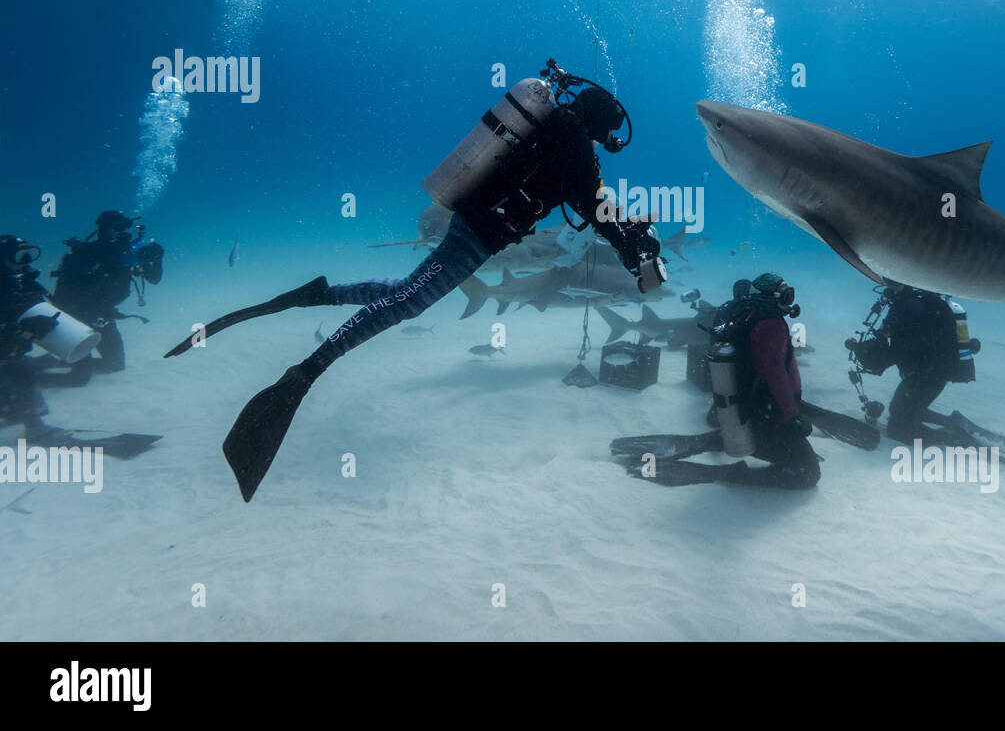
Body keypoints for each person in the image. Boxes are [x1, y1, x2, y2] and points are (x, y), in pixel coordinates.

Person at [168, 60, 670, 501]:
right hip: (481, 229)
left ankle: (314, 295)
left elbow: (594, 203)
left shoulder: (562, 133)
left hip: (480, 224)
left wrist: (630, 235)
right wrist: (634, 245)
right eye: (608, 133)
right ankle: (307, 370)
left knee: (406, 290)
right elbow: (593, 205)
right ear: (601, 123)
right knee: (411, 302)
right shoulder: (571, 140)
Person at [611, 273, 820, 489]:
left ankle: (701, 442)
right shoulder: (772, 325)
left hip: (746, 410)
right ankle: (725, 472)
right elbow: (775, 374)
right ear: (771, 297)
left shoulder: (745, 315)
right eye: (786, 295)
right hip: (770, 414)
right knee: (808, 473)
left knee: (757, 437)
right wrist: (792, 415)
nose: (790, 301)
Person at [38, 210, 164, 386]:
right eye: (116, 229)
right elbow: (66, 292)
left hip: (104, 316)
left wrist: (157, 258)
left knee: (115, 365)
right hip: (78, 316)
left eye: (124, 229)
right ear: (102, 229)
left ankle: (58, 360)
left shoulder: (129, 253)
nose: (122, 233)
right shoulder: (85, 252)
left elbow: (153, 279)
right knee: (79, 379)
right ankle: (27, 373)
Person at [846, 281, 980, 442]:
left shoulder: (905, 310)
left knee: (898, 429)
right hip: (930, 375)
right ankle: (951, 421)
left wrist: (862, 351)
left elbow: (895, 353)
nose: (887, 288)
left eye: (891, 282)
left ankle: (956, 439)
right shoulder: (913, 305)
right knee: (898, 409)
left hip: (926, 378)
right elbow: (895, 344)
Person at [0, 236, 57, 422]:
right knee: (21, 366)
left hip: (8, 350)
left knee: (20, 362)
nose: (25, 262)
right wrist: (21, 329)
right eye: (18, 256)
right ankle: (35, 428)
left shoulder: (20, 285)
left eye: (28, 255)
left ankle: (10, 408)